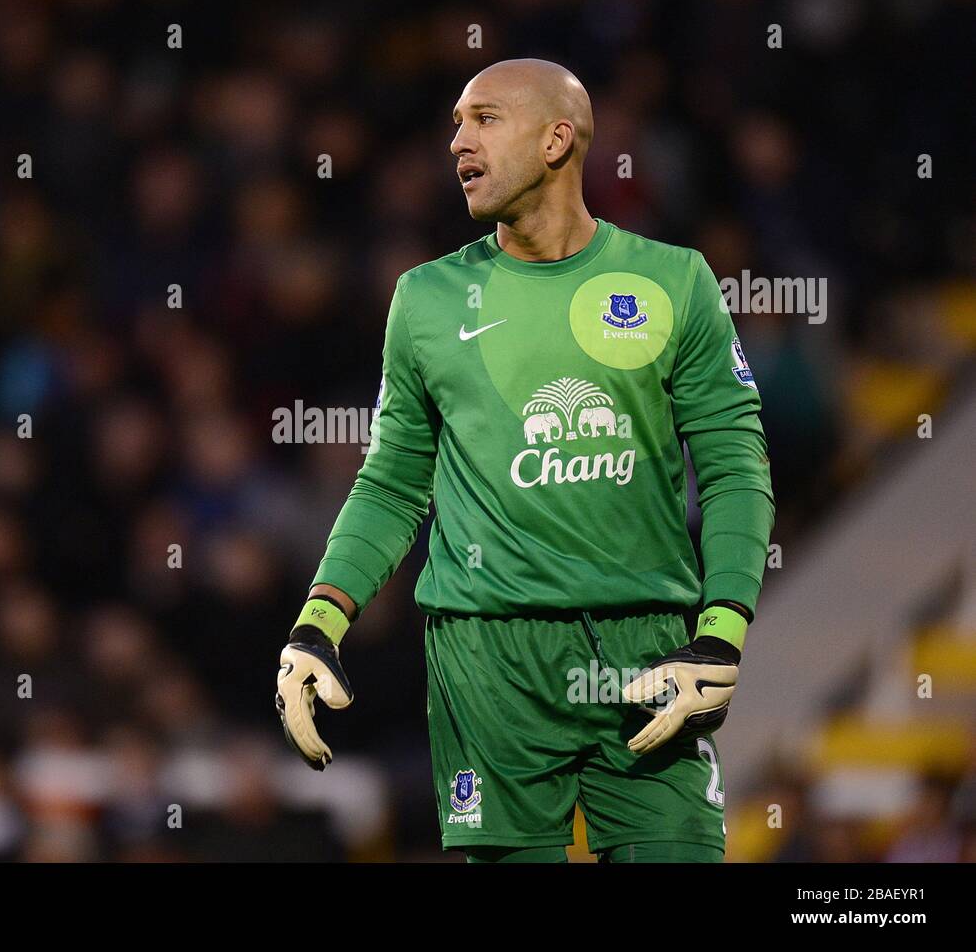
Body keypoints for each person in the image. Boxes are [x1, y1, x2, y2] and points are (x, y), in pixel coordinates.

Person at [275, 59, 774, 863]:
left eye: (483, 119)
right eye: (456, 123)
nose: (456, 142)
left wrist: (721, 634)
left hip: (648, 647)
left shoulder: (673, 281)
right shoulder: (426, 299)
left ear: (556, 138)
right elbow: (393, 482)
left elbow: (735, 468)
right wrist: (317, 622)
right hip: (486, 655)